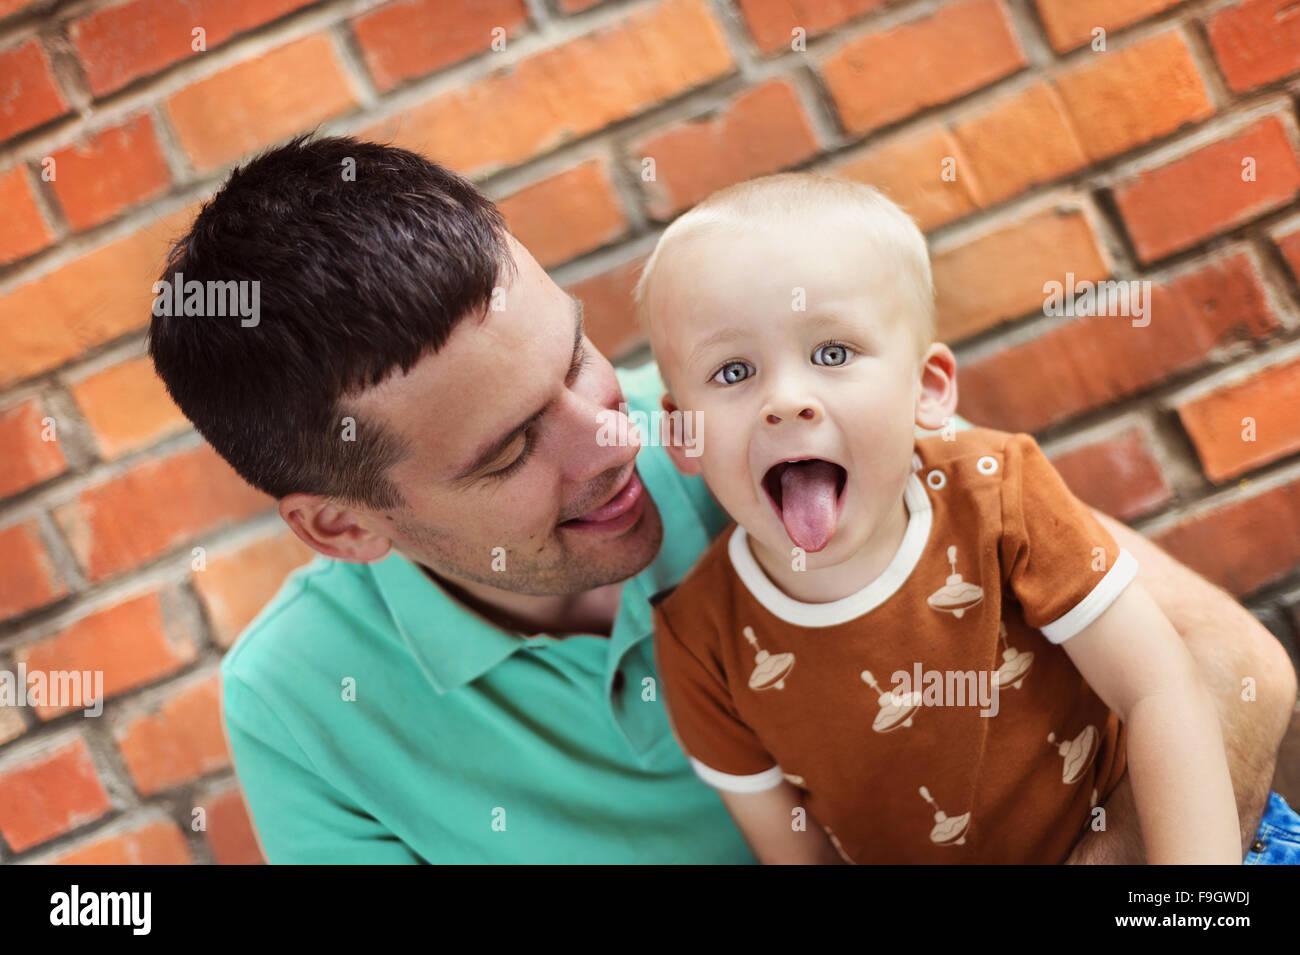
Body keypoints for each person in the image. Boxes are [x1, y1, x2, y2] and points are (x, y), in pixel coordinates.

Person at [145, 135, 1296, 863]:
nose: (614, 439)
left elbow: (1228, 670)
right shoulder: (300, 705)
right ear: (343, 523)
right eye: (506, 451)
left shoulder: (754, 423)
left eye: (579, 357)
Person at [638, 173, 1266, 864]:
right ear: (684, 436)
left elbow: (1159, 689)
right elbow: (797, 854)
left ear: (928, 389)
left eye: (833, 353)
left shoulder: (998, 494)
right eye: (732, 372)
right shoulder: (700, 641)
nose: (787, 401)